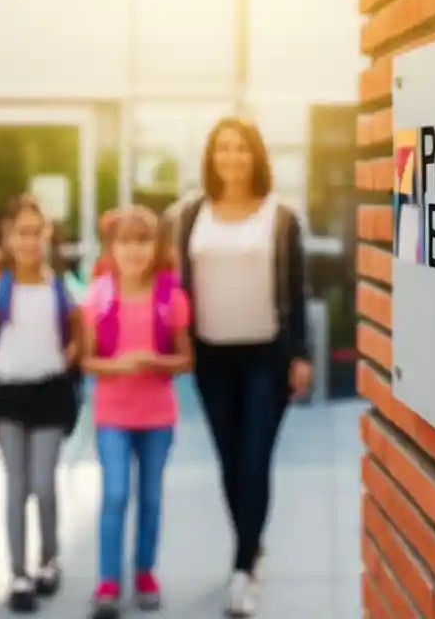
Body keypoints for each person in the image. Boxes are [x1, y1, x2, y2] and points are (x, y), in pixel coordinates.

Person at [173, 117, 312, 617]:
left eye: (240, 148)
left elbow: (297, 289)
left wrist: (301, 354)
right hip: (211, 357)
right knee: (230, 464)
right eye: (222, 148)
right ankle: (252, 548)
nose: (231, 157)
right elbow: (176, 285)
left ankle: (242, 567)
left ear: (256, 155)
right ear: (211, 158)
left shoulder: (280, 217)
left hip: (266, 357)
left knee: (254, 461)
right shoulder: (192, 214)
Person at [81, 206, 193, 619]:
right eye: (125, 241)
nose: (134, 250)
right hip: (112, 414)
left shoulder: (171, 296)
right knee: (114, 494)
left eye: (143, 241)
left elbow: (185, 359)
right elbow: (87, 361)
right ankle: (108, 581)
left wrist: (155, 362)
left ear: (156, 247)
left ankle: (145, 572)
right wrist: (119, 366)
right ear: (112, 248)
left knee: (150, 496)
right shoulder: (97, 296)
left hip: (157, 416)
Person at [0, 195, 81, 612]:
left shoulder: (61, 286)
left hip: (50, 394)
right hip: (7, 395)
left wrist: (69, 355)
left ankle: (49, 559)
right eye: (21, 232)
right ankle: (18, 573)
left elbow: (79, 333)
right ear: (7, 237)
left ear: (46, 236)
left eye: (36, 232)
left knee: (43, 482)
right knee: (15, 486)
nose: (29, 240)